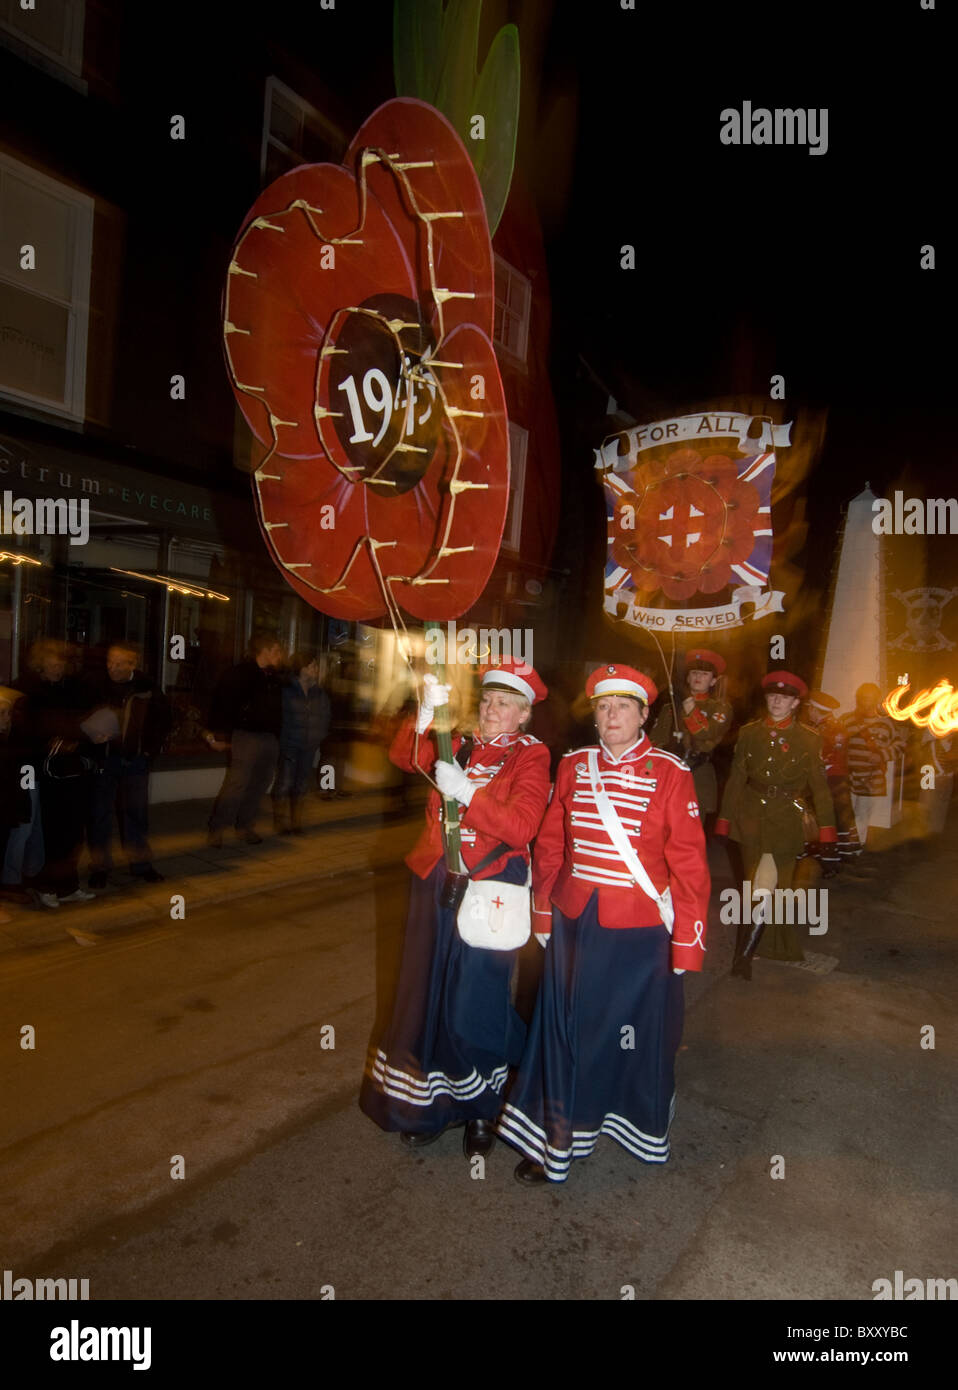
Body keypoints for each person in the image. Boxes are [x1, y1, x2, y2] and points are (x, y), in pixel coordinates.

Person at [497, 664, 710, 1185]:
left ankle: (613, 1121)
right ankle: (559, 1139)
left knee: (620, 1036)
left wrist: (686, 944)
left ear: (644, 716)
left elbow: (689, 866)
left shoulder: (670, 772)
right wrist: (543, 909)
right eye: (603, 707)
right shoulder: (574, 765)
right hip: (575, 920)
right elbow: (550, 844)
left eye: (623, 707)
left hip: (638, 933)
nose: (611, 716)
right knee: (563, 1030)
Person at [360, 658, 551, 1159]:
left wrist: (468, 792)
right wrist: (425, 712)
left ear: (524, 714)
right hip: (434, 881)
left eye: (504, 704)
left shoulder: (531, 755)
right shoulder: (459, 740)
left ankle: (488, 1102)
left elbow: (523, 826)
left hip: (488, 889)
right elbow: (406, 756)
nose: (491, 710)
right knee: (427, 996)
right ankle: (432, 1105)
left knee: (475, 1003)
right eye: (487, 700)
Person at [716, 672, 836, 978]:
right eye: (772, 696)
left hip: (786, 820)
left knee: (778, 887)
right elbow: (736, 780)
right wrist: (725, 819)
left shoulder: (808, 739)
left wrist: (827, 828)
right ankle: (749, 949)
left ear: (796, 703)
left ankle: (775, 945)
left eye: (785, 697)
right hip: (750, 817)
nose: (777, 701)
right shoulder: (749, 733)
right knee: (753, 886)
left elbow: (819, 787)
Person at [13, 640, 99, 907]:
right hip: (43, 771)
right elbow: (21, 733)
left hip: (72, 771)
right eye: (53, 662)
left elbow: (88, 720)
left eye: (62, 662)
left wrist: (80, 741)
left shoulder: (74, 688)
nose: (59, 666)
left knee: (73, 830)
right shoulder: (27, 690)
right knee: (47, 831)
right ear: (40, 663)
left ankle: (68, 885)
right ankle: (44, 885)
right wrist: (49, 743)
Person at [85, 643, 171, 887]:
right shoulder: (95, 684)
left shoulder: (147, 687)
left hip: (135, 760)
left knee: (136, 814)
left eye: (120, 663)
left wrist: (148, 752)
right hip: (103, 758)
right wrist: (90, 741)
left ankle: (140, 864)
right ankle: (100, 867)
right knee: (99, 815)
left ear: (133, 664)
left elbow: (163, 721)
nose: (113, 667)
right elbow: (81, 717)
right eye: (110, 661)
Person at [204, 634, 285, 846]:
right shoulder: (240, 674)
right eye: (276, 651)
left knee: (259, 784)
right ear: (264, 651)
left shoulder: (274, 677)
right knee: (236, 784)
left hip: (269, 738)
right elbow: (223, 705)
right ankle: (218, 828)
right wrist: (219, 735)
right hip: (246, 736)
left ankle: (245, 826)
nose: (280, 656)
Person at [651, 647, 732, 824]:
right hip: (667, 776)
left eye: (704, 674)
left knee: (689, 835)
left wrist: (689, 705)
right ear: (687, 677)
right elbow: (655, 742)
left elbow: (705, 733)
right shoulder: (670, 707)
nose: (698, 677)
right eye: (694, 672)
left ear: (713, 681)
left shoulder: (719, 708)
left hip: (696, 776)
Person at [840, 683, 908, 848]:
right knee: (844, 816)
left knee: (862, 816)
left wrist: (881, 755)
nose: (864, 702)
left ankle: (857, 850)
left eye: (868, 698)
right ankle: (844, 850)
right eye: (861, 698)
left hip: (870, 779)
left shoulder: (886, 724)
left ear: (877, 700)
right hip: (845, 778)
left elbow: (900, 746)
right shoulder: (845, 720)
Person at [801, 690, 861, 873]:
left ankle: (829, 861)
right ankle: (845, 856)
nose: (808, 711)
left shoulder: (821, 731)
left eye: (810, 708)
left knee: (826, 819)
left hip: (826, 781)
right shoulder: (837, 727)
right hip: (839, 780)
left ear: (815, 709)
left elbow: (818, 758)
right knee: (840, 818)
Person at [272, 651, 331, 834]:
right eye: (312, 666)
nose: (316, 669)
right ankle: (280, 821)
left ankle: (296, 821)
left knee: (302, 783)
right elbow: (278, 717)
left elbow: (326, 715)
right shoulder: (286, 691)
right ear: (302, 669)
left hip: (309, 745)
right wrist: (282, 739)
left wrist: (318, 736)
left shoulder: (318, 693)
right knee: (285, 781)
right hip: (289, 743)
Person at [0, 687, 32, 925]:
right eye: (1, 713)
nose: (6, 718)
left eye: (8, 713)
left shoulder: (11, 738)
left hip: (7, 806)